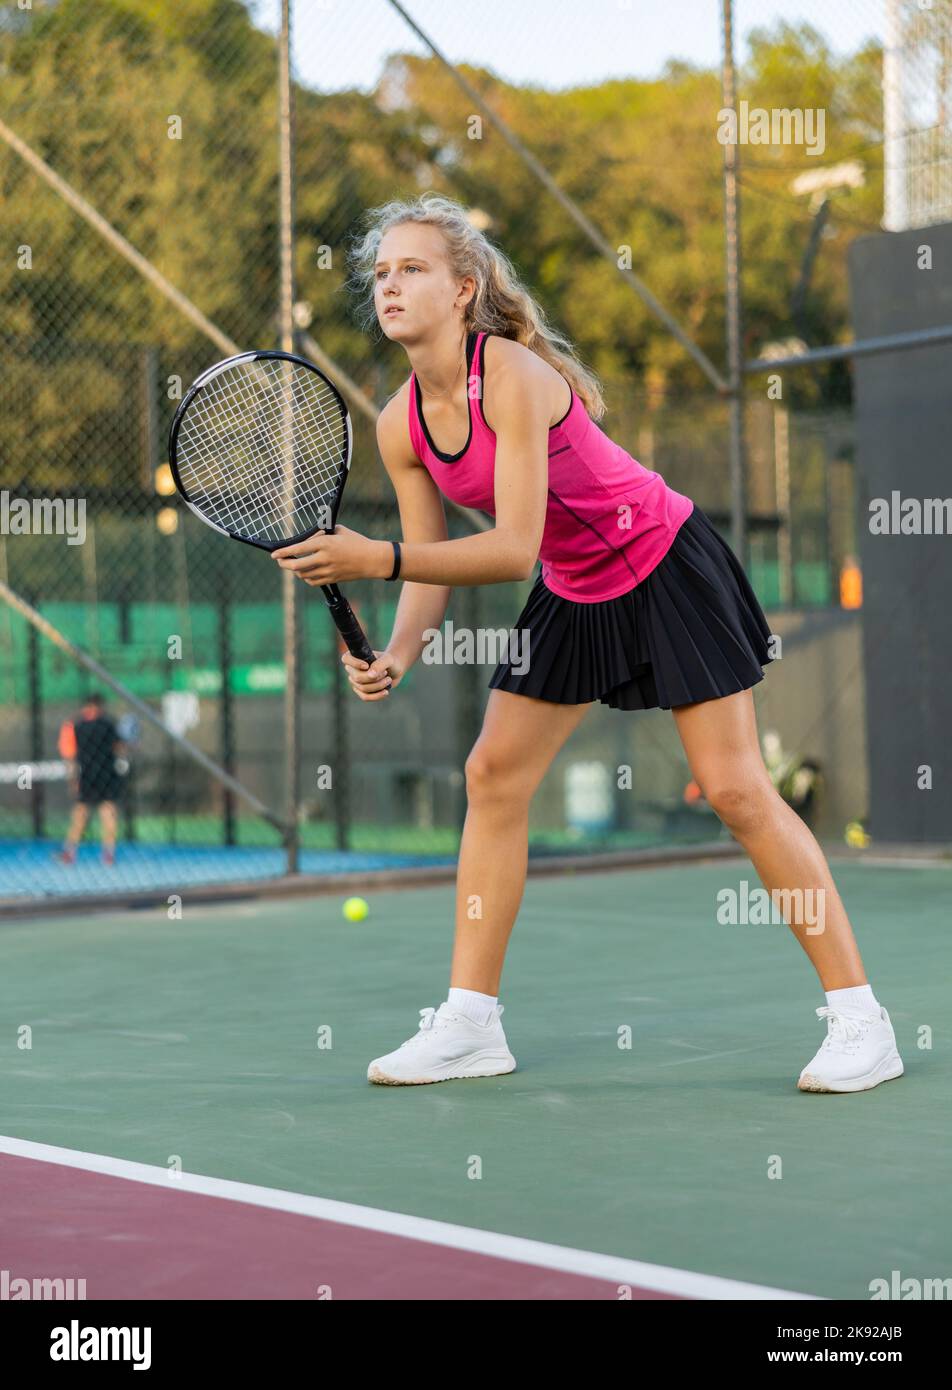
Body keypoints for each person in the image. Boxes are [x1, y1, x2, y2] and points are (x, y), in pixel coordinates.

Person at [272, 193, 903, 1096]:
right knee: (494, 775)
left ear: (463, 290)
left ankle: (860, 1020)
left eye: (412, 269)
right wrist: (402, 648)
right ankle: (471, 1023)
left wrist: (374, 557)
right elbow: (431, 567)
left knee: (734, 789)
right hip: (576, 590)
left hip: (664, 562)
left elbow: (509, 547)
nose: (390, 286)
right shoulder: (399, 423)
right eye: (380, 274)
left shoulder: (517, 378)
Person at [57, 692, 123, 866]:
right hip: (107, 774)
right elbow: (119, 748)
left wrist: (73, 780)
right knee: (108, 811)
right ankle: (108, 854)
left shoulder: (75, 726)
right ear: (100, 706)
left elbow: (70, 756)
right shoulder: (109, 724)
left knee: (80, 814)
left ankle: (69, 853)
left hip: (86, 775)